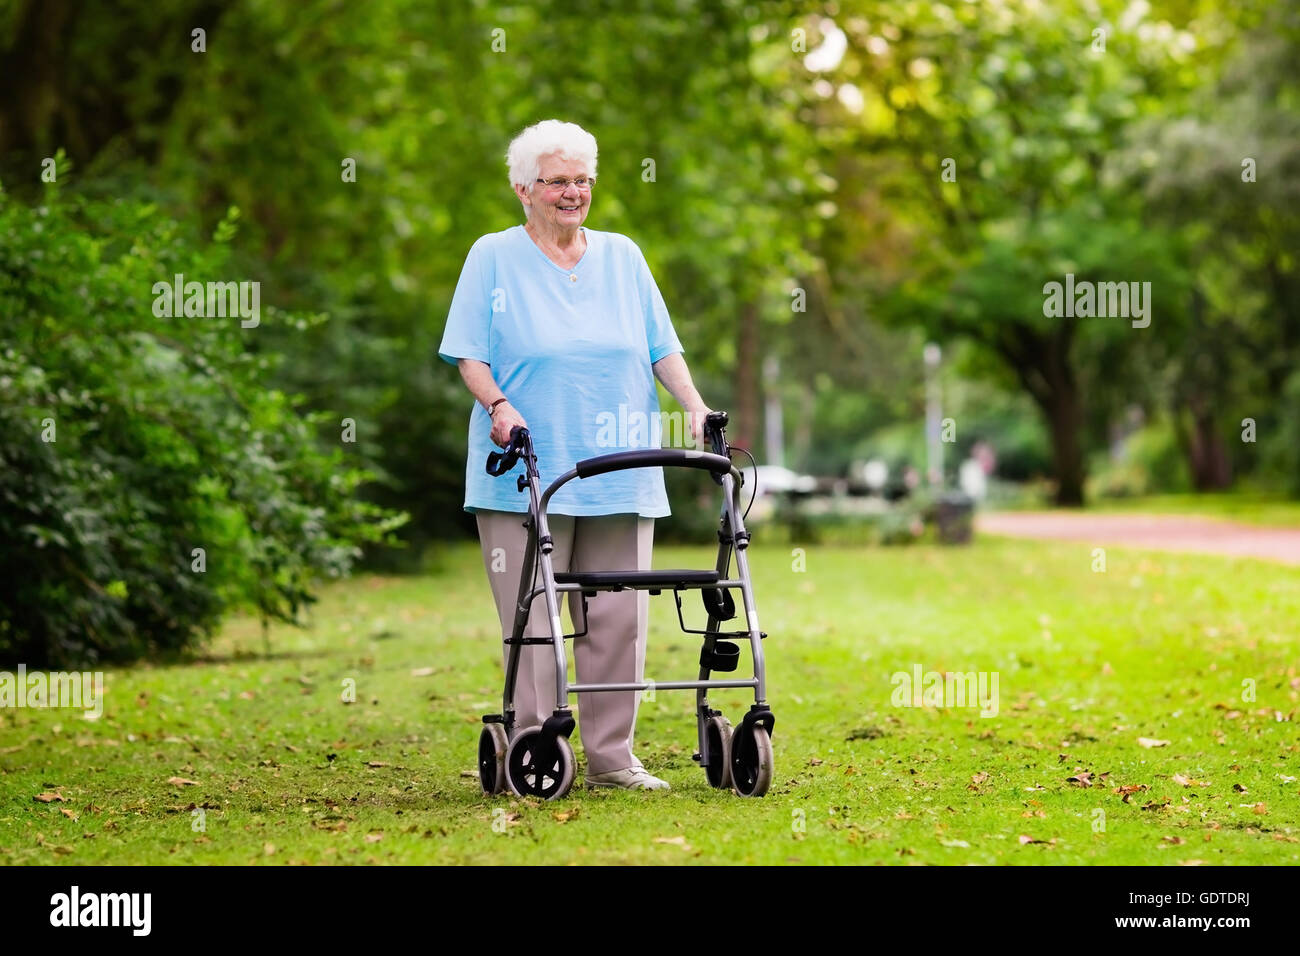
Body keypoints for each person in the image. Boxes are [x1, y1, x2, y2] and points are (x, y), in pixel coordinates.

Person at [437, 119, 711, 790]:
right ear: (522, 188)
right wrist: (499, 406)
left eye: (582, 180)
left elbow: (660, 347)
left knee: (618, 616)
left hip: (621, 468)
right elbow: (469, 353)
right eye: (558, 181)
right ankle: (537, 751)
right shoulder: (492, 256)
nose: (572, 193)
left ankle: (613, 758)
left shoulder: (622, 256)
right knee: (533, 619)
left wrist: (694, 405)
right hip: (525, 470)